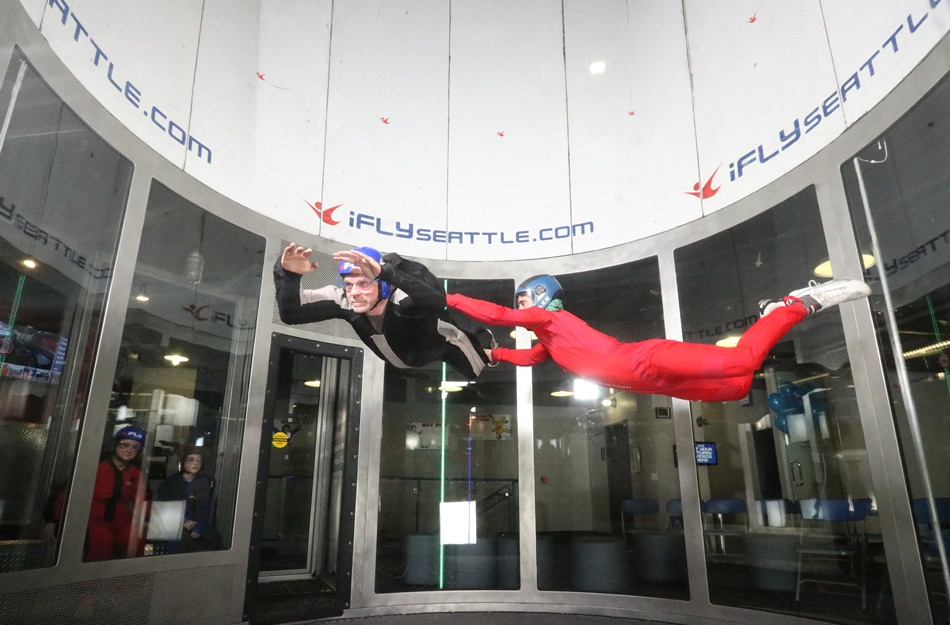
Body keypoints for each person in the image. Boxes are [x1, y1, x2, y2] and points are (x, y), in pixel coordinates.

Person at [445, 276, 871, 403]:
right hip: (658, 384)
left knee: (742, 361)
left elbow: (500, 314)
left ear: (538, 297)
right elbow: (530, 360)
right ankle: (773, 313)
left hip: (649, 361)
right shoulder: (547, 338)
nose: (517, 304)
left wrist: (446, 297)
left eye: (522, 296)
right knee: (739, 386)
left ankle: (793, 304)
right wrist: (495, 353)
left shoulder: (546, 317)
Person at [274, 244, 495, 379]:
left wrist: (387, 272)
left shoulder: (402, 299)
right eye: (349, 284)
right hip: (399, 356)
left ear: (385, 286)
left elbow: (437, 301)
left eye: (364, 284)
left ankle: (484, 338)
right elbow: (290, 313)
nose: (354, 293)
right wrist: (290, 276)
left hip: (437, 345)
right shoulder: (344, 300)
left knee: (476, 367)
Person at [82, 425, 150, 561]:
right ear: (115, 445)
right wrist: (52, 520)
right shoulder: (97, 466)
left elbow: (142, 499)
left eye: (135, 447)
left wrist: (147, 519)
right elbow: (68, 493)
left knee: (135, 544)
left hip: (123, 520)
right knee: (100, 547)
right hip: (96, 519)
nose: (129, 450)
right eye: (125, 445)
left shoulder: (136, 472)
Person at [155, 447, 222, 552]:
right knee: (180, 542)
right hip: (173, 523)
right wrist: (183, 522)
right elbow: (164, 509)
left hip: (195, 524)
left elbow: (204, 509)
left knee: (213, 538)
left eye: (199, 460)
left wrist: (198, 529)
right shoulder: (170, 483)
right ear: (182, 462)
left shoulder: (203, 483)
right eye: (191, 460)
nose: (195, 463)